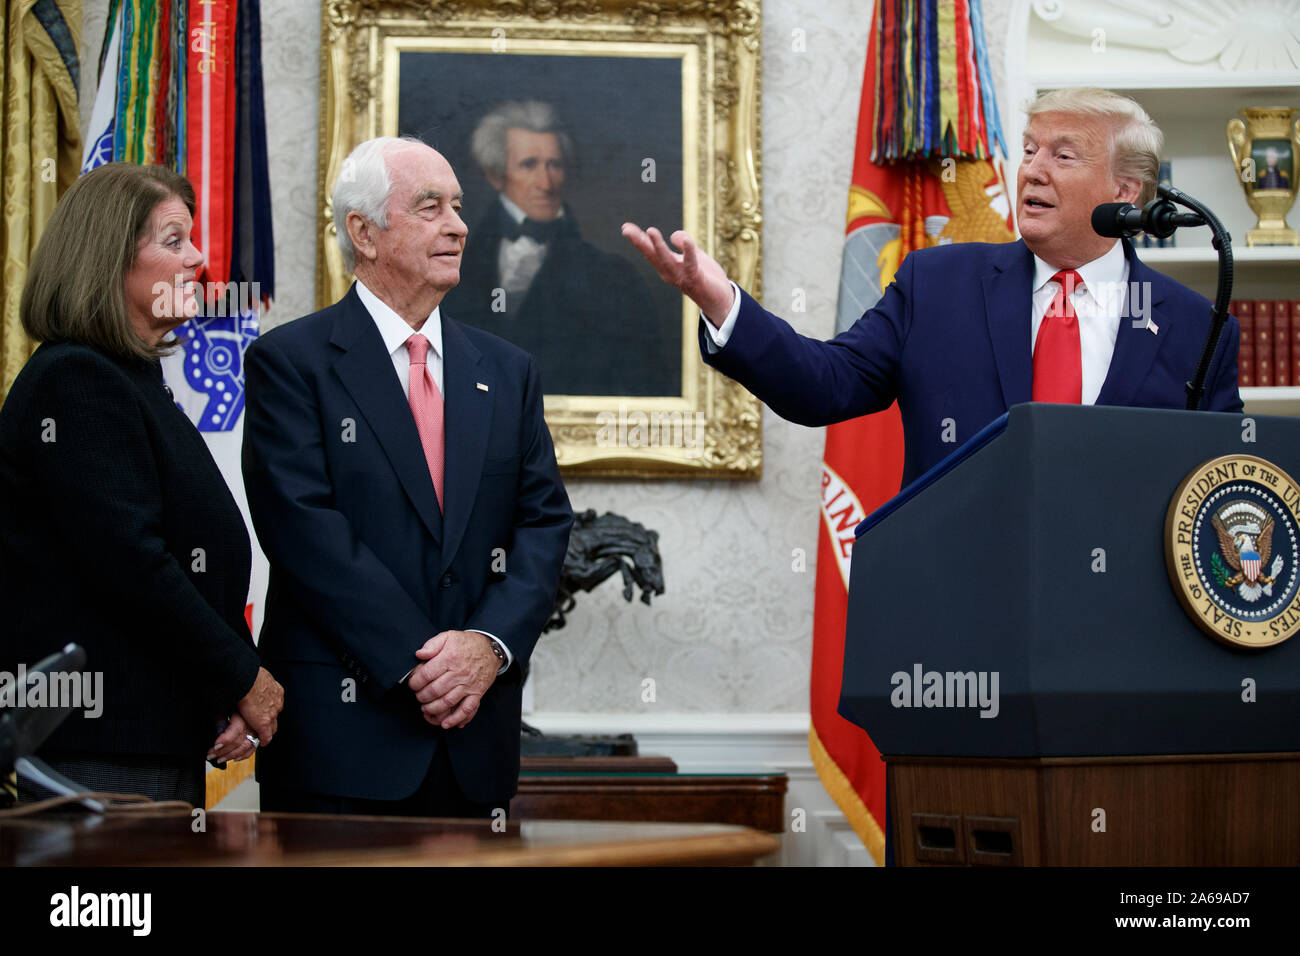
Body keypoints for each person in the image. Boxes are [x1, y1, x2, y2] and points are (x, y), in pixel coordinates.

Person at [623, 87, 1242, 486]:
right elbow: (824, 385)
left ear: (1125, 192)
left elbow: (1216, 484)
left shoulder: (1195, 327)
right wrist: (719, 299)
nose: (1032, 168)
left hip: (1118, 637)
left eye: (1063, 155)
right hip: (958, 623)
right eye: (1028, 150)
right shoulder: (937, 284)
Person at [242, 136, 573, 817]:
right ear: (364, 232)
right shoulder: (291, 363)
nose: (458, 225)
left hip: (474, 745)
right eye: (431, 207)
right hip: (341, 746)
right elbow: (304, 530)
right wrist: (425, 665)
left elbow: (543, 524)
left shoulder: (507, 371)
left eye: (457, 206)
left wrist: (488, 646)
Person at [0, 162, 284, 806]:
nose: (201, 259)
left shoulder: (132, 382)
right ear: (108, 258)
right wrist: (245, 678)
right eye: (174, 240)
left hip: (149, 735)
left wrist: (225, 684)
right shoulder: (76, 380)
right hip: (102, 744)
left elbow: (193, 566)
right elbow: (133, 565)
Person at [442, 100, 678, 397]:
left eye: (554, 165)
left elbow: (646, 388)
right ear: (495, 175)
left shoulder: (615, 279)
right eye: (529, 165)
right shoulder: (448, 265)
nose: (546, 182)